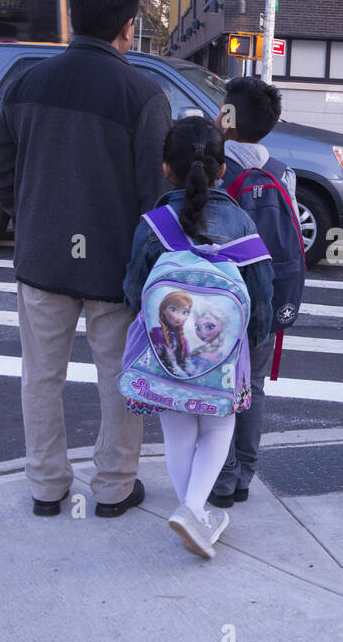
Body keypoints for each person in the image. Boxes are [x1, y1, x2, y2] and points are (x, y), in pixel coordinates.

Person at [0, 0, 171, 518]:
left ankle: (46, 486)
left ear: (74, 17)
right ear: (129, 27)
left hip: (41, 261)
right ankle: (114, 486)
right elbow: (154, 198)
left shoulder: (24, 84)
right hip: (115, 268)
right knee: (119, 377)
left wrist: (36, 218)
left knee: (40, 376)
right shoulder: (144, 96)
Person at [123, 116, 273, 559]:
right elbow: (262, 298)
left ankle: (193, 509)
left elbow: (133, 292)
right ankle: (193, 509)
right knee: (218, 428)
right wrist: (254, 345)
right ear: (222, 169)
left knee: (177, 434)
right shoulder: (243, 223)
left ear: (166, 168)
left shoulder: (153, 224)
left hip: (168, 357)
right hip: (223, 360)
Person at [209, 77, 298, 509]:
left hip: (221, 301)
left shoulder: (215, 166)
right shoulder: (283, 173)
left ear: (227, 116)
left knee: (221, 387)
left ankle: (221, 480)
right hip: (266, 299)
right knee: (253, 386)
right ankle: (245, 474)